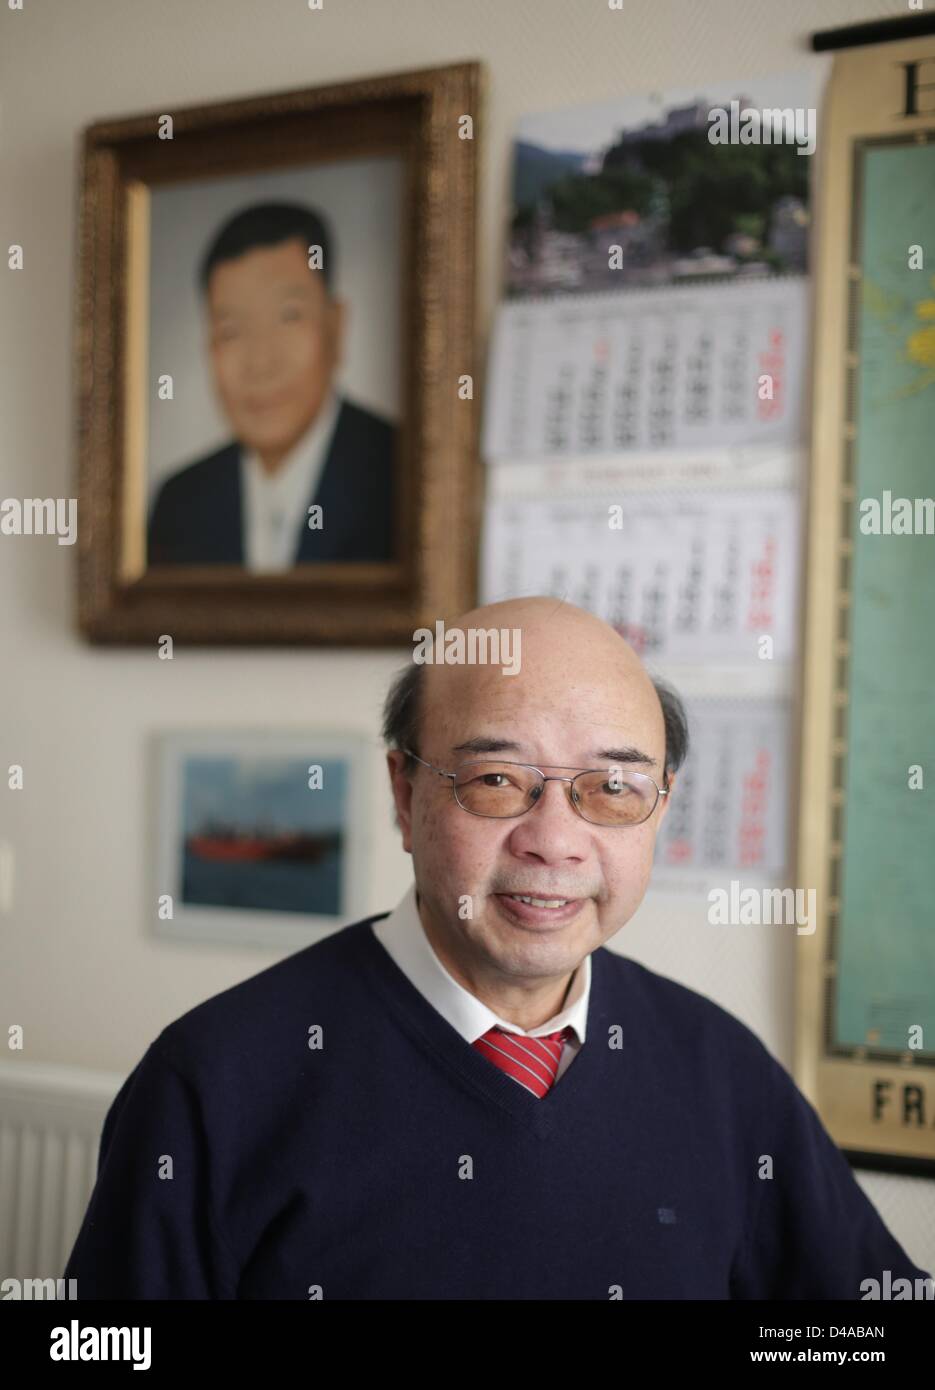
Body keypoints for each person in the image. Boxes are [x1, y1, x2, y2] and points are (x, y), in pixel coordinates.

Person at [63, 596, 932, 1299]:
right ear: (405, 795)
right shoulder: (212, 1082)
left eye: (612, 788)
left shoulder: (720, 1069)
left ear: (660, 807)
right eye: (496, 781)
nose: (554, 842)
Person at [146, 201, 396, 569]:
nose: (260, 363)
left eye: (288, 316)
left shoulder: (398, 474)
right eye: (231, 331)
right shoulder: (181, 503)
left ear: (336, 327)